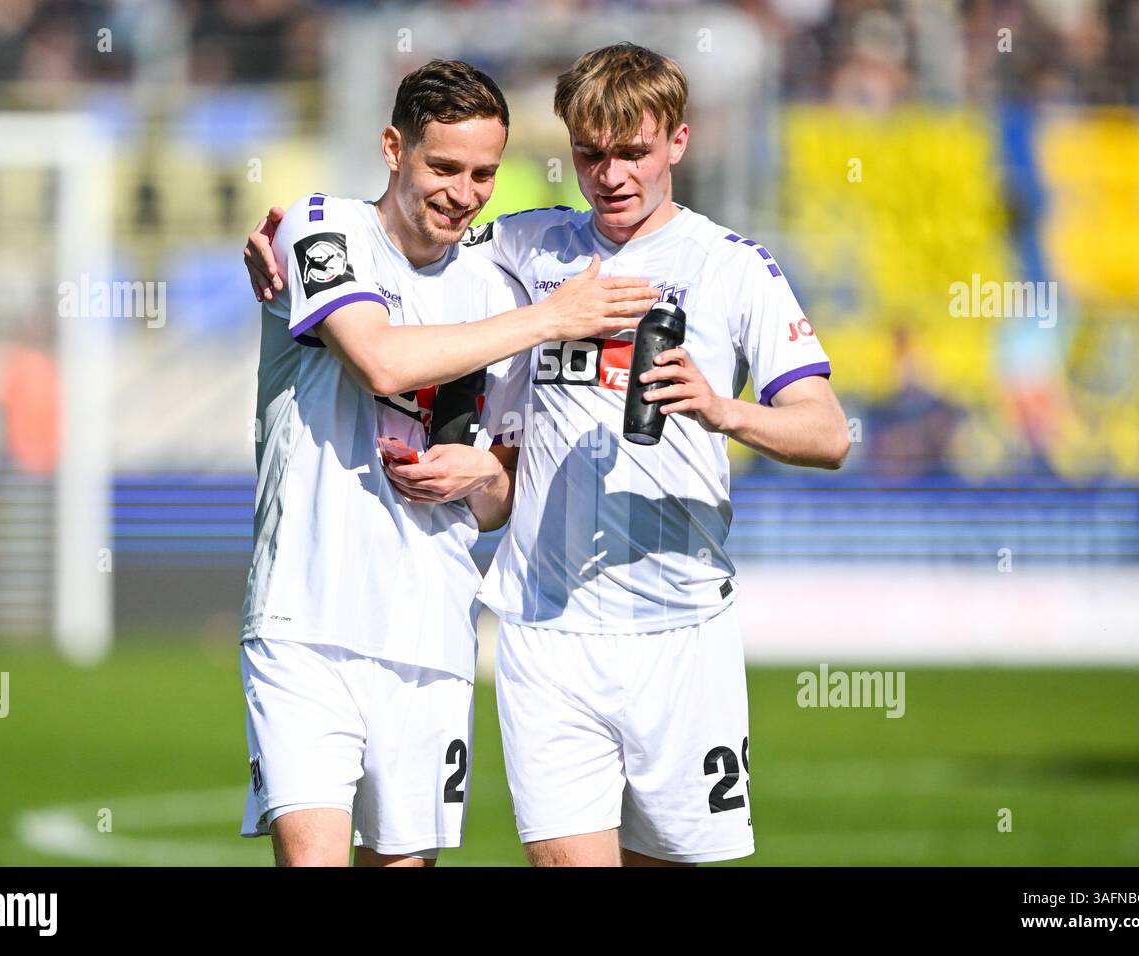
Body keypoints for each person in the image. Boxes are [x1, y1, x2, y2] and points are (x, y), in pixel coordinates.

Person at [244, 44, 850, 867]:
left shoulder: (729, 268)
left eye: (633, 152)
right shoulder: (524, 253)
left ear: (677, 141)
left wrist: (721, 409)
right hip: (543, 629)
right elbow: (405, 252)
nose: (611, 175)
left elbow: (829, 434)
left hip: (682, 625)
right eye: (590, 154)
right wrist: (281, 241)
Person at [239, 58, 659, 867]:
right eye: (443, 167)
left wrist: (481, 476)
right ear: (393, 147)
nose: (463, 194)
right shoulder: (325, 227)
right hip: (304, 617)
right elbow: (381, 362)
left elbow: (498, 495)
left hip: (430, 626)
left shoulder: (495, 288)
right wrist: (547, 319)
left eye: (483, 175)